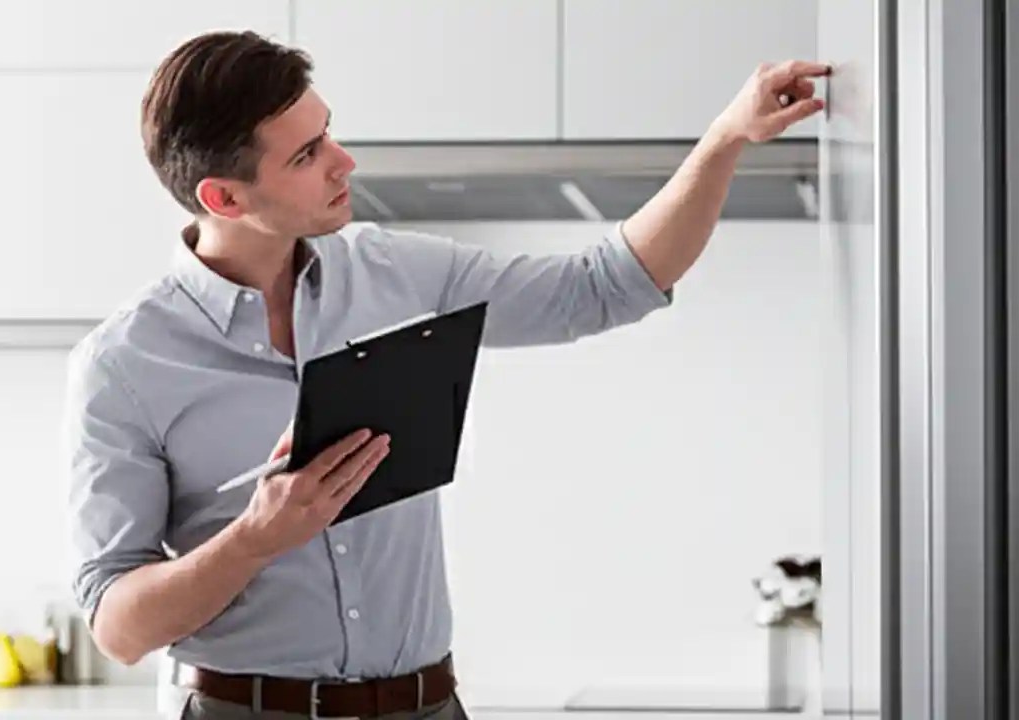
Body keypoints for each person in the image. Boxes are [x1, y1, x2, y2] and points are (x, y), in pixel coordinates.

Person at [63, 29, 828, 720]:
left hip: (428, 707)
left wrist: (727, 136)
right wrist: (256, 540)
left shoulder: (395, 273)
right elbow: (118, 627)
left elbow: (603, 287)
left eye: (325, 132)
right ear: (223, 198)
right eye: (305, 156)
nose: (343, 161)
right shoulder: (124, 365)